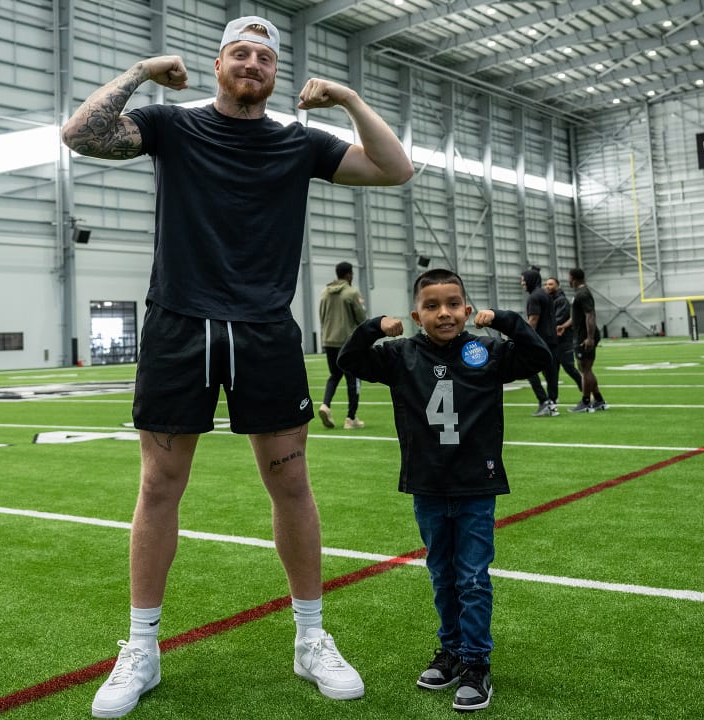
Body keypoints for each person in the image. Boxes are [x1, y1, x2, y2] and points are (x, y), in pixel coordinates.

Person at [60, 15, 413, 718]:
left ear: (275, 73)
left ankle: (310, 638)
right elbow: (80, 136)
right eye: (239, 53)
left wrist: (345, 95)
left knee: (292, 484)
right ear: (219, 65)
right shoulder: (172, 127)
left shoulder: (298, 141)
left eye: (264, 56)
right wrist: (138, 73)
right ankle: (141, 648)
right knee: (159, 486)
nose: (252, 63)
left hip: (263, 330)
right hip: (178, 324)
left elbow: (395, 168)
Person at [336, 268, 549, 712]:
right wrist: (374, 327)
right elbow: (349, 361)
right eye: (431, 306)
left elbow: (539, 357)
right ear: (416, 315)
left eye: (453, 304)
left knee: (472, 577)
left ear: (469, 311)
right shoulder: (400, 355)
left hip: (476, 484)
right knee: (441, 574)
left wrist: (506, 321)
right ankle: (451, 650)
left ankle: (476, 662)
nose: (444, 313)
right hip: (428, 485)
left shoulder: (486, 350)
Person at [318, 261, 367, 430]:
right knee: (353, 379)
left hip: (329, 341)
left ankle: (325, 405)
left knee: (334, 375)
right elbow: (361, 319)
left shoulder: (324, 293)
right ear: (348, 275)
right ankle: (350, 418)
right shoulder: (351, 293)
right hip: (347, 342)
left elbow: (322, 317)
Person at [559, 268, 607, 412]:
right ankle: (598, 399)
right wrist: (564, 326)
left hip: (584, 337)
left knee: (585, 370)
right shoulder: (580, 293)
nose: (568, 280)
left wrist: (590, 338)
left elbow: (590, 315)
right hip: (581, 335)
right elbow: (576, 317)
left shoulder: (583, 294)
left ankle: (586, 402)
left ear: (573, 278)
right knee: (585, 369)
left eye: (568, 277)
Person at [521, 267, 559, 416]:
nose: (522, 283)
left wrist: (524, 338)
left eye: (523, 280)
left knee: (528, 369)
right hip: (552, 339)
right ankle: (552, 403)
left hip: (540, 340)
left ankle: (544, 401)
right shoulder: (545, 294)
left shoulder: (534, 297)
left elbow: (533, 320)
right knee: (551, 374)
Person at [546, 276, 584, 394]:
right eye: (546, 284)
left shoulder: (561, 300)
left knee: (570, 368)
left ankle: (586, 392)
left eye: (551, 284)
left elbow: (558, 319)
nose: (548, 286)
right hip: (553, 341)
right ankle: (553, 400)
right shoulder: (549, 300)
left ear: (558, 286)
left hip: (563, 341)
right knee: (552, 372)